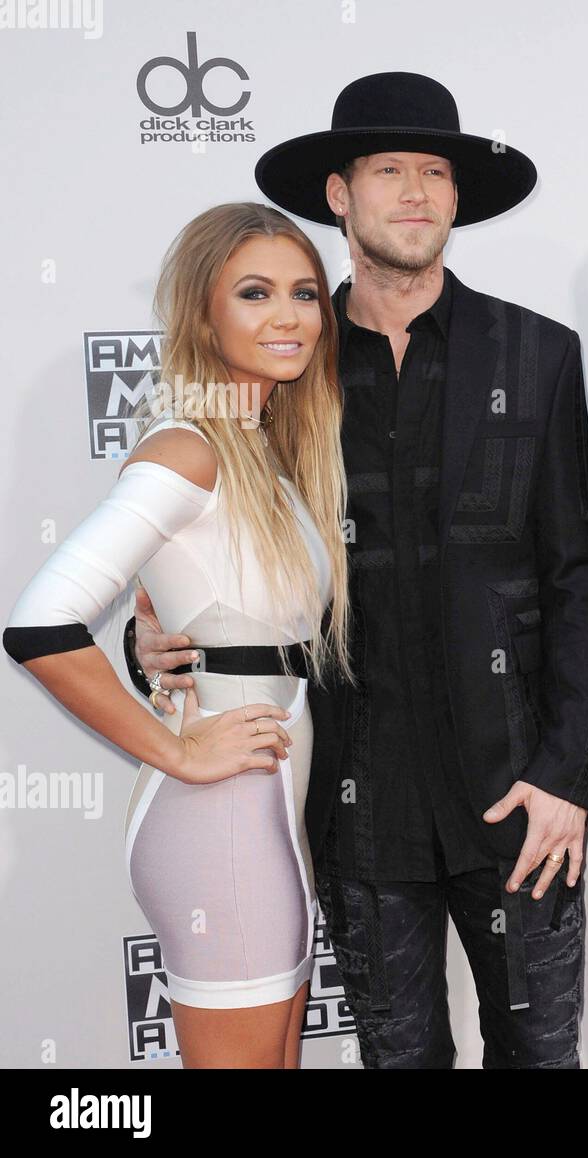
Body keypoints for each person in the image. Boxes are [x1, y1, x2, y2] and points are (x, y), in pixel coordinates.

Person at [126, 72, 588, 1068]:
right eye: (389, 170)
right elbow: (202, 528)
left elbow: (575, 578)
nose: (417, 193)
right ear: (339, 196)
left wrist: (569, 776)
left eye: (434, 171)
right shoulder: (282, 366)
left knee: (543, 1058)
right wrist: (154, 629)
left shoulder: (540, 354)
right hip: (354, 799)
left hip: (519, 799)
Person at [4, 202, 352, 1067]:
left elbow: (223, 605)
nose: (289, 316)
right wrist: (178, 749)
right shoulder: (188, 448)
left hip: (268, 815)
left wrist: (150, 627)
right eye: (256, 292)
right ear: (204, 315)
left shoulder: (262, 447)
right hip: (220, 820)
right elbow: (39, 623)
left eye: (305, 292)